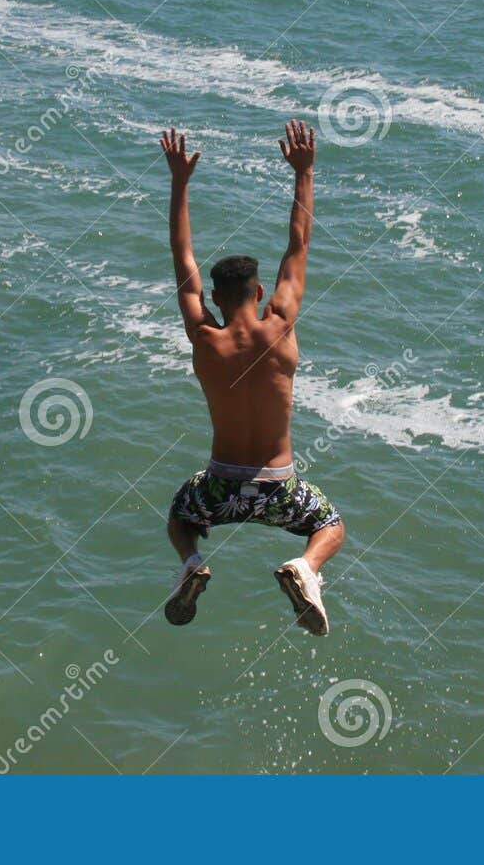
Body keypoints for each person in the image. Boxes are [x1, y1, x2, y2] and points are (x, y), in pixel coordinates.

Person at [158, 120, 344, 636]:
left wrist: (180, 182)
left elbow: (182, 256)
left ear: (213, 298)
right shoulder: (280, 326)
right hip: (278, 488)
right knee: (331, 525)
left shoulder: (203, 337)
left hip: (220, 484)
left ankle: (192, 563)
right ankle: (306, 568)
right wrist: (304, 172)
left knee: (180, 514)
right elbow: (299, 243)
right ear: (260, 292)